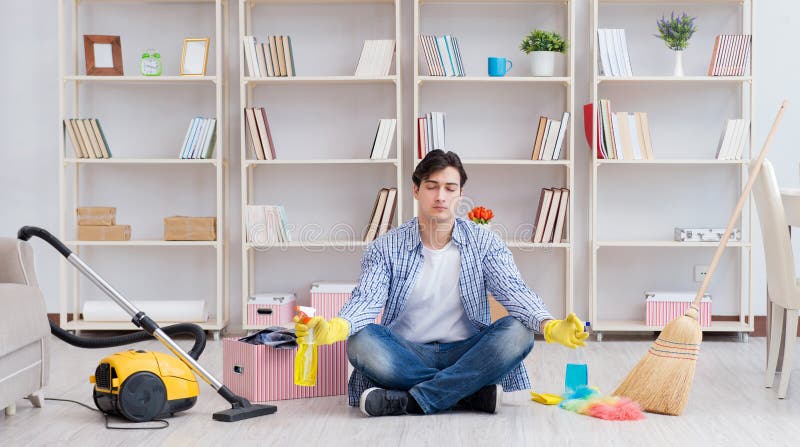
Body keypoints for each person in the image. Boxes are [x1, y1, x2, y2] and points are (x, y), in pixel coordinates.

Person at [294, 150, 588, 417]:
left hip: (468, 352)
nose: (441, 196)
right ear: (417, 190)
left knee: (519, 331)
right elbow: (367, 299)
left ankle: (410, 401)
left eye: (450, 188)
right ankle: (467, 395)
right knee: (361, 341)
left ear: (461, 194)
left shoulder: (484, 242)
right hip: (406, 353)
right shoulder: (385, 247)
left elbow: (513, 289)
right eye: (432, 186)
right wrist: (337, 327)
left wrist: (549, 324)